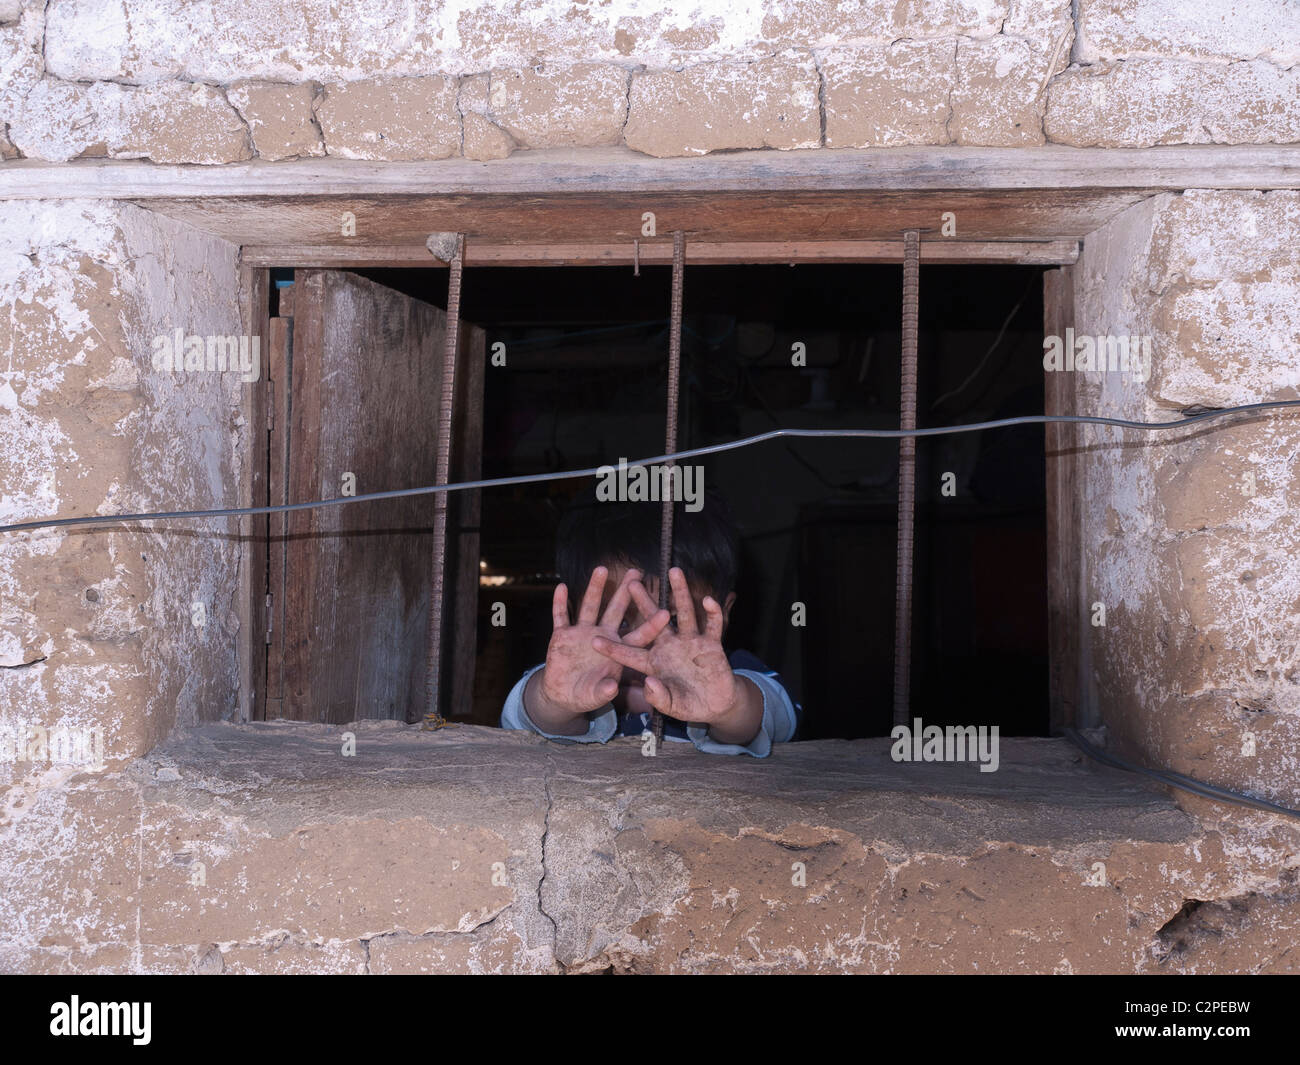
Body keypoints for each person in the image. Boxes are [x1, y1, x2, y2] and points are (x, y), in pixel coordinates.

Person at [500, 490, 800, 756]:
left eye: (672, 622)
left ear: (723, 612)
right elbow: (520, 722)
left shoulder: (736, 674)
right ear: (572, 617)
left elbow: (780, 720)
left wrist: (731, 709)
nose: (645, 646)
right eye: (621, 624)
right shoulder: (568, 680)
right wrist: (554, 703)